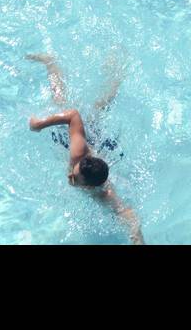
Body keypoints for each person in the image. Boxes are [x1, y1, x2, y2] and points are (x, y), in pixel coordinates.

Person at [27, 52, 144, 245]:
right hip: (85, 136)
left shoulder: (102, 193)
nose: (71, 175)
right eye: (74, 171)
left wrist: (136, 234)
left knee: (100, 108)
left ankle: (116, 76)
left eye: (75, 177)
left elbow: (124, 211)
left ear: (90, 186)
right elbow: (73, 115)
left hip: (98, 148)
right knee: (61, 101)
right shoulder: (78, 153)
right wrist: (39, 124)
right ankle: (50, 61)